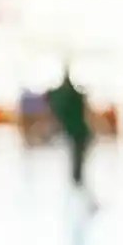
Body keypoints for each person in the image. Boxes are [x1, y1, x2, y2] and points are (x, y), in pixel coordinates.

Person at [47, 72, 93, 200]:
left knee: (78, 157)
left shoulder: (68, 98)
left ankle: (78, 181)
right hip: (77, 133)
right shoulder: (72, 98)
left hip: (79, 133)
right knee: (77, 157)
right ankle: (77, 181)